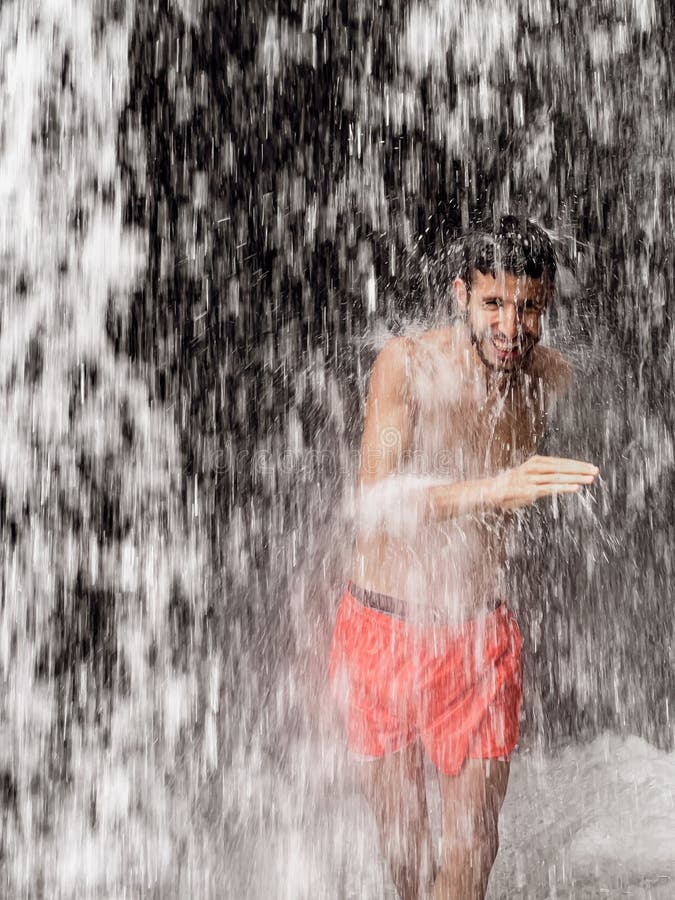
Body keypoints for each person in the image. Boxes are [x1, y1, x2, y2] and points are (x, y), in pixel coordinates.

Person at [328, 216, 599, 900]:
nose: (511, 326)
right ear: (459, 296)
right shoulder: (407, 365)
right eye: (492, 304)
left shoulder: (550, 376)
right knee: (408, 861)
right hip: (382, 634)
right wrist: (497, 490)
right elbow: (376, 502)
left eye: (529, 306)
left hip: (478, 640)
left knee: (472, 857)